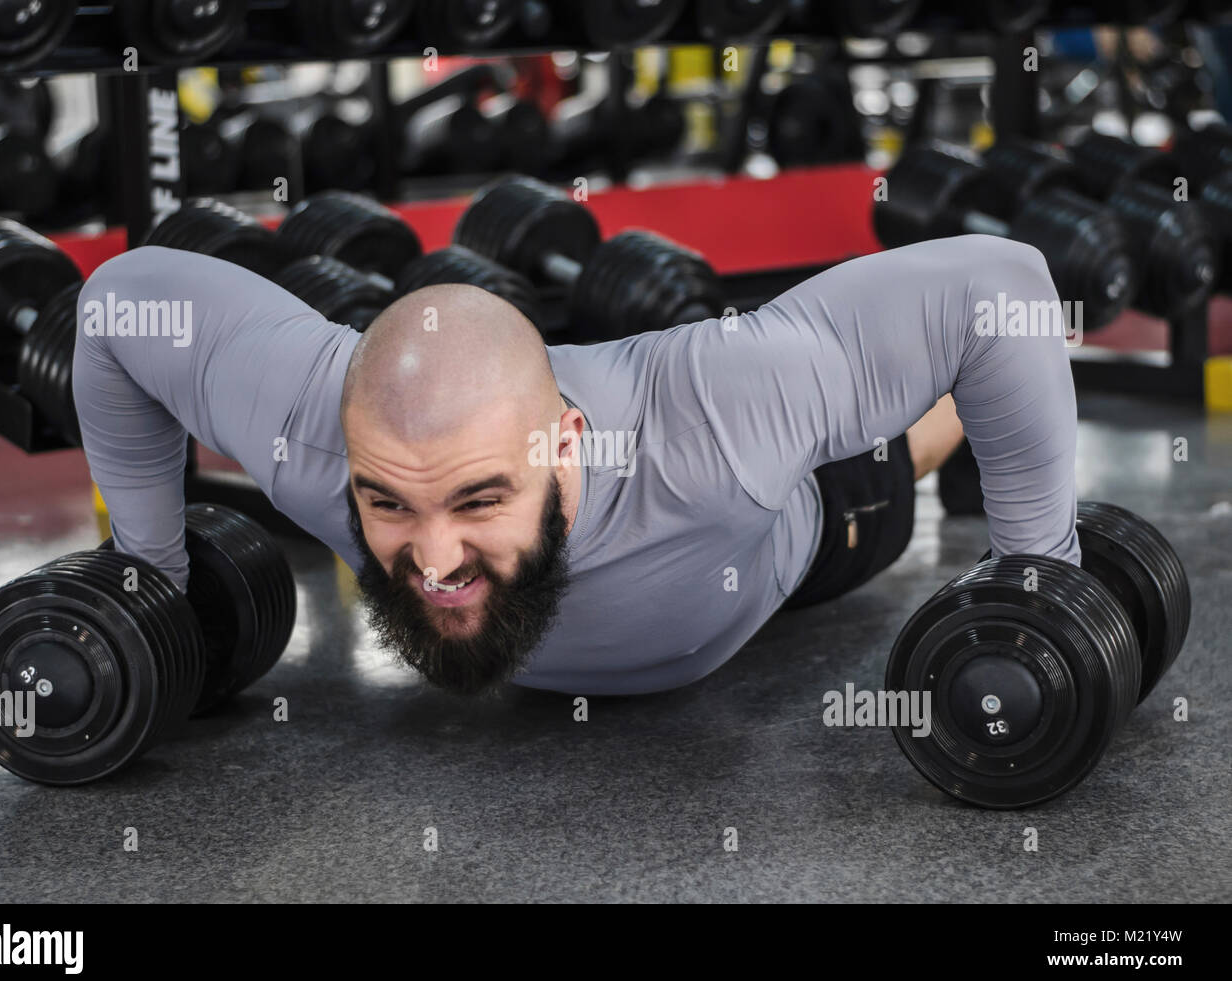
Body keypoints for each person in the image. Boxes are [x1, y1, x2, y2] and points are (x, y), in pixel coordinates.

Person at [73, 233, 1079, 696]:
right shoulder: (314, 428)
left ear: (566, 444)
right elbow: (119, 302)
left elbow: (1001, 286)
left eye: (478, 498)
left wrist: (1041, 577)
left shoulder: (720, 416)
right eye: (386, 502)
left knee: (898, 447)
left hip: (797, 528)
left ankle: (944, 436)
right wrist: (152, 578)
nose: (430, 559)